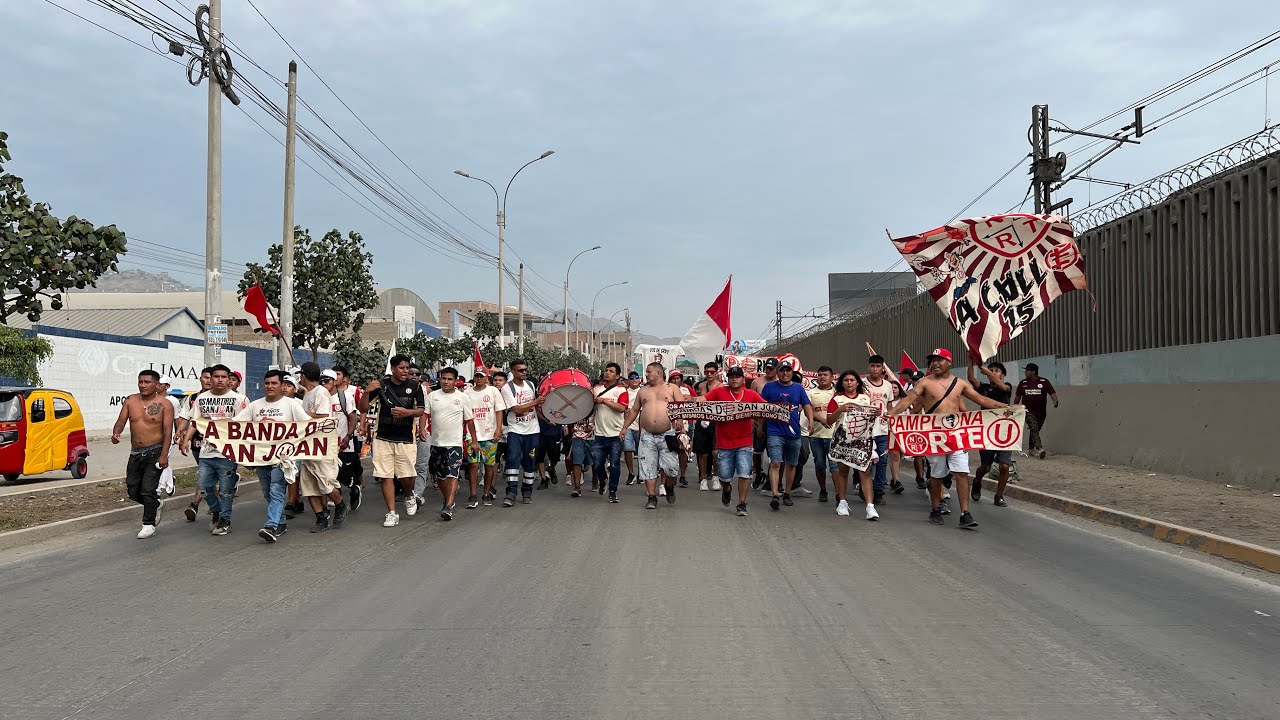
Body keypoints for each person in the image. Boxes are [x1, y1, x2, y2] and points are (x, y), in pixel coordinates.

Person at [889, 348, 1007, 530]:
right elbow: (908, 400)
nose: (935, 363)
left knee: (961, 473)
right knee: (937, 475)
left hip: (956, 435)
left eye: (940, 360)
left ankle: (965, 513)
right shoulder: (924, 382)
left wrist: (1007, 407)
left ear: (949, 362)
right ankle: (935, 508)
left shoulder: (959, 383)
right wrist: (891, 413)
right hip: (934, 437)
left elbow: (982, 400)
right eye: (933, 360)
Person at [234, 370, 309, 542]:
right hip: (261, 457)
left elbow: (307, 425)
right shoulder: (255, 406)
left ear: (282, 385)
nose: (270, 386)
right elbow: (235, 425)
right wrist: (212, 427)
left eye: (274, 383)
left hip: (282, 459)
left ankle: (271, 525)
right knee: (267, 492)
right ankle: (281, 522)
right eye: (267, 383)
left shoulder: (292, 405)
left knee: (276, 489)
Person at [180, 364, 248, 536]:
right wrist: (185, 440)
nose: (219, 380)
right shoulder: (202, 399)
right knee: (204, 487)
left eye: (223, 377)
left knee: (226, 490)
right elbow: (196, 422)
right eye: (215, 376)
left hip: (228, 453)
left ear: (228, 379)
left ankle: (225, 520)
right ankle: (216, 512)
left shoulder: (239, 400)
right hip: (206, 452)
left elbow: (248, 425)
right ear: (210, 379)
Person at [360, 355, 426, 528]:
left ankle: (408, 495)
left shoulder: (415, 386)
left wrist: (407, 413)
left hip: (405, 438)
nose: (406, 372)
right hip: (382, 437)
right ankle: (391, 513)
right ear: (393, 368)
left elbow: (421, 410)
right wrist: (367, 391)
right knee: (385, 475)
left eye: (407, 368)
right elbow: (363, 408)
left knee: (407, 475)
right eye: (402, 368)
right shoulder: (381, 385)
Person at [111, 370, 174, 539]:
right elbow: (121, 420)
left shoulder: (165, 404)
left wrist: (164, 455)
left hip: (155, 450)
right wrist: (116, 433)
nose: (143, 385)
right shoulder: (131, 401)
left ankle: (148, 524)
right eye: (140, 382)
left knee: (148, 489)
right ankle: (156, 503)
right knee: (133, 490)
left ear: (156, 385)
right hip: (135, 452)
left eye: (147, 382)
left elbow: (168, 431)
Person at [619, 363, 686, 509]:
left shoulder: (672, 388)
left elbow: (681, 409)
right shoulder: (643, 391)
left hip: (668, 434)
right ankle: (651, 497)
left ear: (658, 373)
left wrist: (680, 423)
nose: (647, 374)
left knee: (672, 469)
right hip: (647, 435)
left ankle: (669, 486)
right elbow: (634, 410)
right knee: (647, 467)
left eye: (649, 372)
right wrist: (625, 427)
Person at [703, 366, 765, 516]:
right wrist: (685, 403)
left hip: (744, 442)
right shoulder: (719, 392)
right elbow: (702, 402)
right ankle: (727, 489)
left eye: (738, 376)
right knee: (724, 476)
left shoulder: (751, 395)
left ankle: (741, 503)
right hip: (724, 443)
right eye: (732, 376)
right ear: (728, 379)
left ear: (743, 379)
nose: (734, 379)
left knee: (744, 473)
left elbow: (765, 407)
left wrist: (761, 424)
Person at [296, 362, 348, 533]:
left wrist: (303, 416)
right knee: (309, 487)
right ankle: (321, 517)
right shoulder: (308, 395)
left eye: (300, 375)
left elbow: (324, 417)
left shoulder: (321, 392)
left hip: (322, 446)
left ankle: (340, 504)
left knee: (326, 483)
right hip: (307, 447)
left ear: (304, 375)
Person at [424, 367, 479, 521]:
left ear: (455, 381)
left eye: (449, 379)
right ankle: (448, 499)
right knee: (440, 477)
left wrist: (474, 441)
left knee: (452, 473)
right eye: (443, 378)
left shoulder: (462, 398)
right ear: (440, 379)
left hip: (455, 444)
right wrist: (422, 429)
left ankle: (448, 506)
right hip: (436, 443)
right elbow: (425, 415)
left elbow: (470, 421)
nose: (446, 381)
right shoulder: (432, 396)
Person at [821, 370, 878, 519]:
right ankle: (842, 502)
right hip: (843, 441)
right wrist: (840, 409)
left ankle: (870, 507)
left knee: (865, 472)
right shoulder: (837, 399)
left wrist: (876, 413)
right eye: (846, 380)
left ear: (857, 382)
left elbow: (871, 419)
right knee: (843, 472)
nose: (849, 383)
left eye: (852, 380)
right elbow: (829, 421)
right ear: (842, 383)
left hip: (862, 441)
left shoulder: (865, 398)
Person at [760, 361, 814, 511]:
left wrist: (811, 421)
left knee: (791, 465)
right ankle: (775, 494)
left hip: (794, 433)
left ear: (792, 372)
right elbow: (762, 407)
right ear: (777, 372)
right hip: (774, 432)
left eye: (788, 370)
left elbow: (807, 405)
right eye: (782, 370)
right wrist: (760, 426)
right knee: (775, 463)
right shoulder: (769, 388)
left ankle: (787, 493)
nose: (785, 373)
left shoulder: (798, 388)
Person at [499, 359, 544, 505]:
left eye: (525, 370)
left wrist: (547, 419)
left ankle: (527, 492)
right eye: (520, 370)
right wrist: (536, 402)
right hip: (515, 431)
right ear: (513, 371)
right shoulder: (507, 388)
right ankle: (511, 493)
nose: (524, 372)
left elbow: (537, 408)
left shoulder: (530, 385)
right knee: (513, 461)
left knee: (530, 462)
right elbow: (516, 409)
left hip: (533, 430)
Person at [969, 361, 1013, 507]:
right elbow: (971, 378)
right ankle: (977, 481)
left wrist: (987, 372)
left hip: (1004, 432)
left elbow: (1002, 386)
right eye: (991, 370)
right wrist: (971, 361)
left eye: (997, 371)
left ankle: (999, 495)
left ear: (1003, 374)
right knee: (985, 467)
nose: (993, 373)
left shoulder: (1007, 387)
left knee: (1005, 466)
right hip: (987, 431)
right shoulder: (984, 388)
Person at [464, 370, 505, 508]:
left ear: (486, 377)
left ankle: (486, 493)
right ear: (474, 377)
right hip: (472, 435)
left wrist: (498, 430)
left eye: (482, 376)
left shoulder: (493, 391)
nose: (479, 378)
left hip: (489, 435)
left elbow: (499, 411)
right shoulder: (467, 393)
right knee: (473, 465)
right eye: (477, 376)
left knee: (489, 465)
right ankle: (473, 495)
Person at [177, 367, 212, 522]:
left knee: (205, 475)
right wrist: (180, 433)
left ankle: (195, 504)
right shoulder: (193, 399)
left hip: (218, 445)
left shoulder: (225, 398)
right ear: (200, 379)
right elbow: (186, 417)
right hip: (198, 442)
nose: (209, 381)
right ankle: (213, 504)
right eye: (206, 377)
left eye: (212, 377)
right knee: (205, 474)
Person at [592, 362, 630, 503]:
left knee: (614, 464)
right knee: (597, 464)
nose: (607, 373)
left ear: (618, 375)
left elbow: (621, 408)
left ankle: (613, 491)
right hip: (599, 434)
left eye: (611, 371)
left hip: (616, 434)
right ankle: (603, 481)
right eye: (606, 370)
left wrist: (604, 401)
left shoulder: (621, 391)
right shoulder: (596, 389)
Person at [863, 355, 899, 505]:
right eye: (873, 366)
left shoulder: (888, 386)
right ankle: (864, 487)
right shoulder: (863, 384)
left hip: (882, 429)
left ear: (883, 368)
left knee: (883, 459)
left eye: (878, 366)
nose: (875, 369)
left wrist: (890, 420)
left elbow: (889, 407)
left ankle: (878, 490)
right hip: (865, 429)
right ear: (868, 367)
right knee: (865, 460)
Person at [330, 366, 365, 511]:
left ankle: (354, 485)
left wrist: (359, 426)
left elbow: (361, 410)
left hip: (347, 439)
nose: (334, 377)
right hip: (327, 442)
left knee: (348, 466)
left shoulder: (350, 393)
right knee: (331, 469)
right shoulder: (322, 395)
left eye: (338, 374)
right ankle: (336, 495)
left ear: (344, 378)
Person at [806, 366, 837, 503]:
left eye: (825, 375)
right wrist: (822, 420)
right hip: (816, 436)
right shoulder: (811, 393)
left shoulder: (838, 393)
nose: (822, 377)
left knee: (835, 466)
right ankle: (823, 490)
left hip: (835, 436)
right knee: (819, 465)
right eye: (820, 375)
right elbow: (808, 410)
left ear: (832, 377)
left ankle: (839, 493)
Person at [1015, 362, 1058, 459]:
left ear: (1033, 372)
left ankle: (1031, 449)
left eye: (1027, 370)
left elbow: (1052, 392)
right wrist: (1015, 408)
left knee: (1035, 430)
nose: (1025, 372)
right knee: (1034, 428)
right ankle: (1040, 449)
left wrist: (1055, 401)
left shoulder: (1044, 382)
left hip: (1041, 412)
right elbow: (1018, 397)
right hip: (1027, 411)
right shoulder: (1023, 383)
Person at [750, 357, 780, 489]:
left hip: (775, 422)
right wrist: (752, 420)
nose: (769, 371)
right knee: (757, 451)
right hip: (758, 421)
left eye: (771, 368)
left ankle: (772, 479)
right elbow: (750, 402)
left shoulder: (781, 382)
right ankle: (758, 473)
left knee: (774, 453)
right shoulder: (757, 382)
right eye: (767, 368)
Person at [693, 361, 722, 492]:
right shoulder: (700, 386)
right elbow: (695, 402)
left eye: (712, 372)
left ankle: (716, 477)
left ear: (717, 373)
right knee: (702, 453)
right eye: (707, 372)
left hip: (716, 422)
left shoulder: (721, 387)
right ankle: (703, 478)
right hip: (701, 421)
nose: (709, 374)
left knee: (715, 452)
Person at [668, 370, 693, 487]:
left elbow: (691, 404)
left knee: (683, 451)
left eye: (678, 378)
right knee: (671, 451)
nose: (676, 380)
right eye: (674, 378)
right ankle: (671, 476)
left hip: (684, 424)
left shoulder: (685, 390)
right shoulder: (667, 390)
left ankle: (682, 475)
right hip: (669, 425)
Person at [621, 372, 642, 484]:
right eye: (632, 378)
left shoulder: (643, 391)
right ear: (629, 380)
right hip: (628, 425)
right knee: (628, 449)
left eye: (636, 378)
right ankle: (631, 473)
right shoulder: (625, 392)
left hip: (641, 425)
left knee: (641, 452)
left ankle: (641, 473)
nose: (634, 380)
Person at [568, 411, 595, 497]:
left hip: (593, 435)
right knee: (577, 461)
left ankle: (595, 480)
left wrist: (592, 425)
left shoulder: (596, 400)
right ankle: (577, 487)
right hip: (577, 436)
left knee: (595, 462)